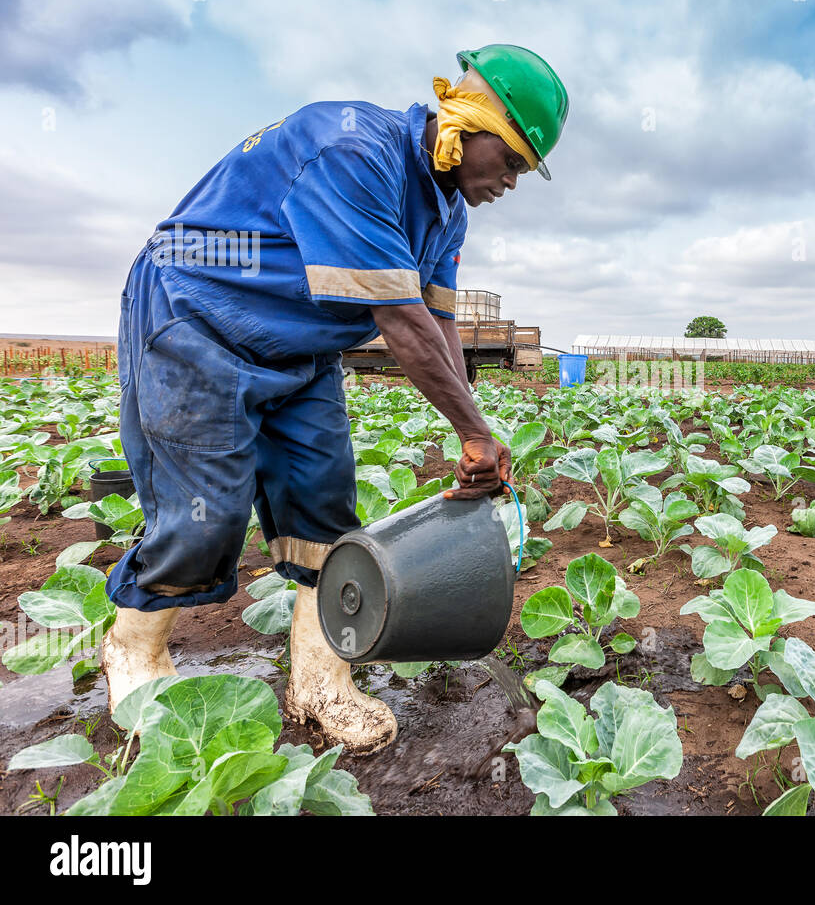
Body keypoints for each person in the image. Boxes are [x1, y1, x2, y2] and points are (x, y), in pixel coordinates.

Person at [101, 44, 569, 755]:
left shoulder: (447, 214)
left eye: (522, 171)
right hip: (195, 316)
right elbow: (400, 322)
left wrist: (475, 429)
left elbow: (439, 329)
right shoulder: (352, 148)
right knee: (205, 519)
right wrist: (475, 435)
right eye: (510, 160)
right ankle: (134, 654)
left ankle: (320, 683)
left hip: (298, 346)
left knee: (323, 506)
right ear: (471, 123)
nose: (511, 180)